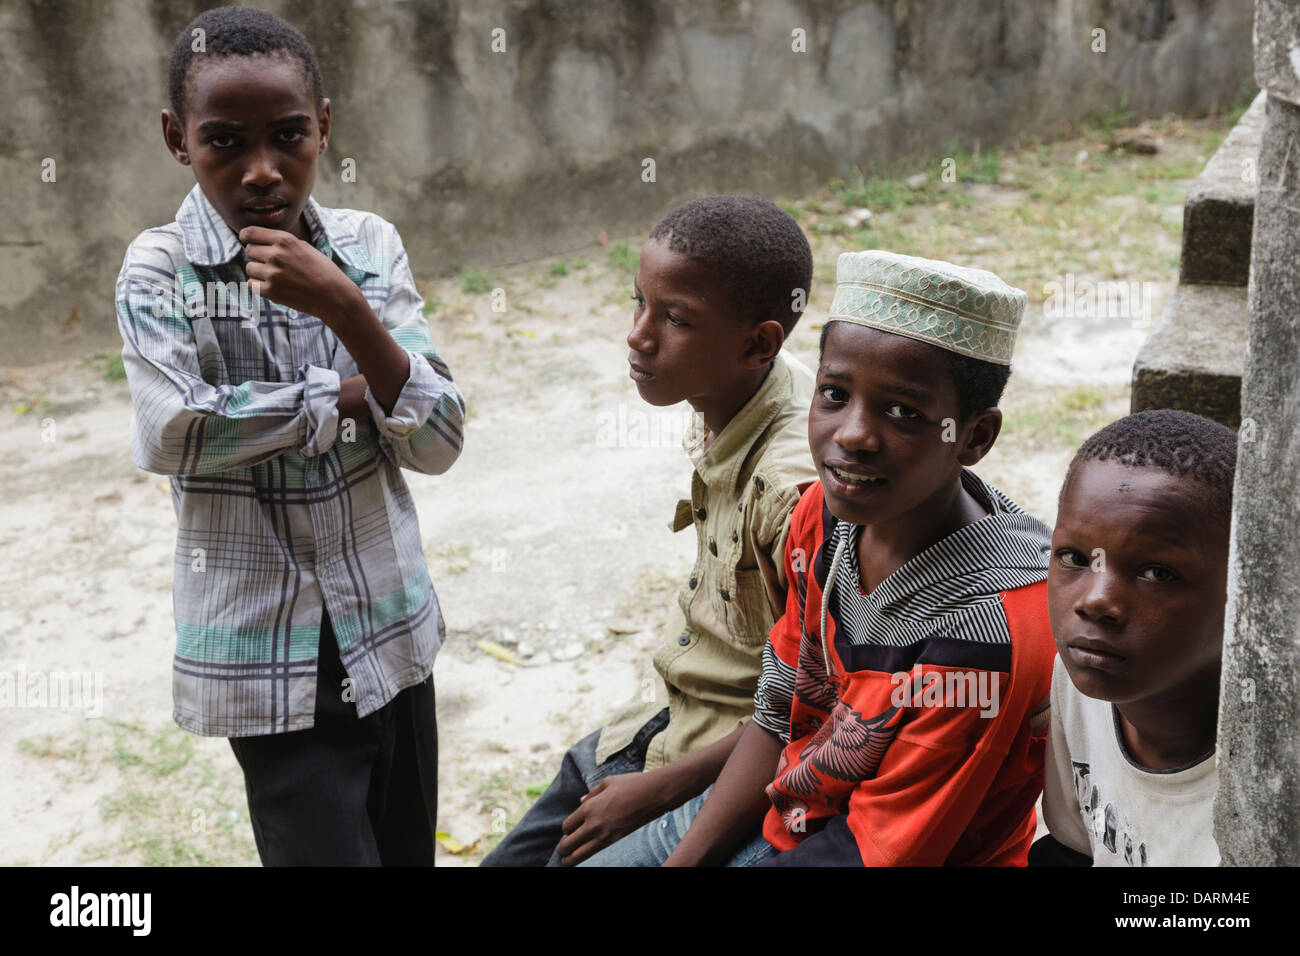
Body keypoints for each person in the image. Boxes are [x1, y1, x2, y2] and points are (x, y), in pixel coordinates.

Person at [114, 6, 464, 865]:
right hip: (269, 660)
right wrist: (348, 394)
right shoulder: (159, 270)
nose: (263, 170)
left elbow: (442, 438)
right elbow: (174, 431)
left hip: (390, 628)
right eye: (225, 141)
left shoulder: (368, 250)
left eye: (290, 136)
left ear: (326, 128)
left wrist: (344, 305)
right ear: (176, 138)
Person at [583, 250, 1056, 866]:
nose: (853, 434)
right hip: (790, 809)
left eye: (903, 412)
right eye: (834, 393)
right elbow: (779, 715)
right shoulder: (825, 520)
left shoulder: (984, 635)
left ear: (974, 437)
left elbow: (873, 852)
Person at [481, 195, 818, 866]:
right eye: (639, 303)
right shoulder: (729, 398)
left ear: (759, 343)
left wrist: (655, 790)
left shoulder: (791, 492)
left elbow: (813, 712)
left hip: (714, 774)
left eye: (674, 319)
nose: (638, 335)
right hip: (650, 727)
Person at [1033, 409, 1236, 867]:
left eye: (1157, 573)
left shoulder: (1259, 788)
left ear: (1240, 593)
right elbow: (1070, 850)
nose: (1095, 601)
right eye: (1075, 557)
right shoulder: (1082, 673)